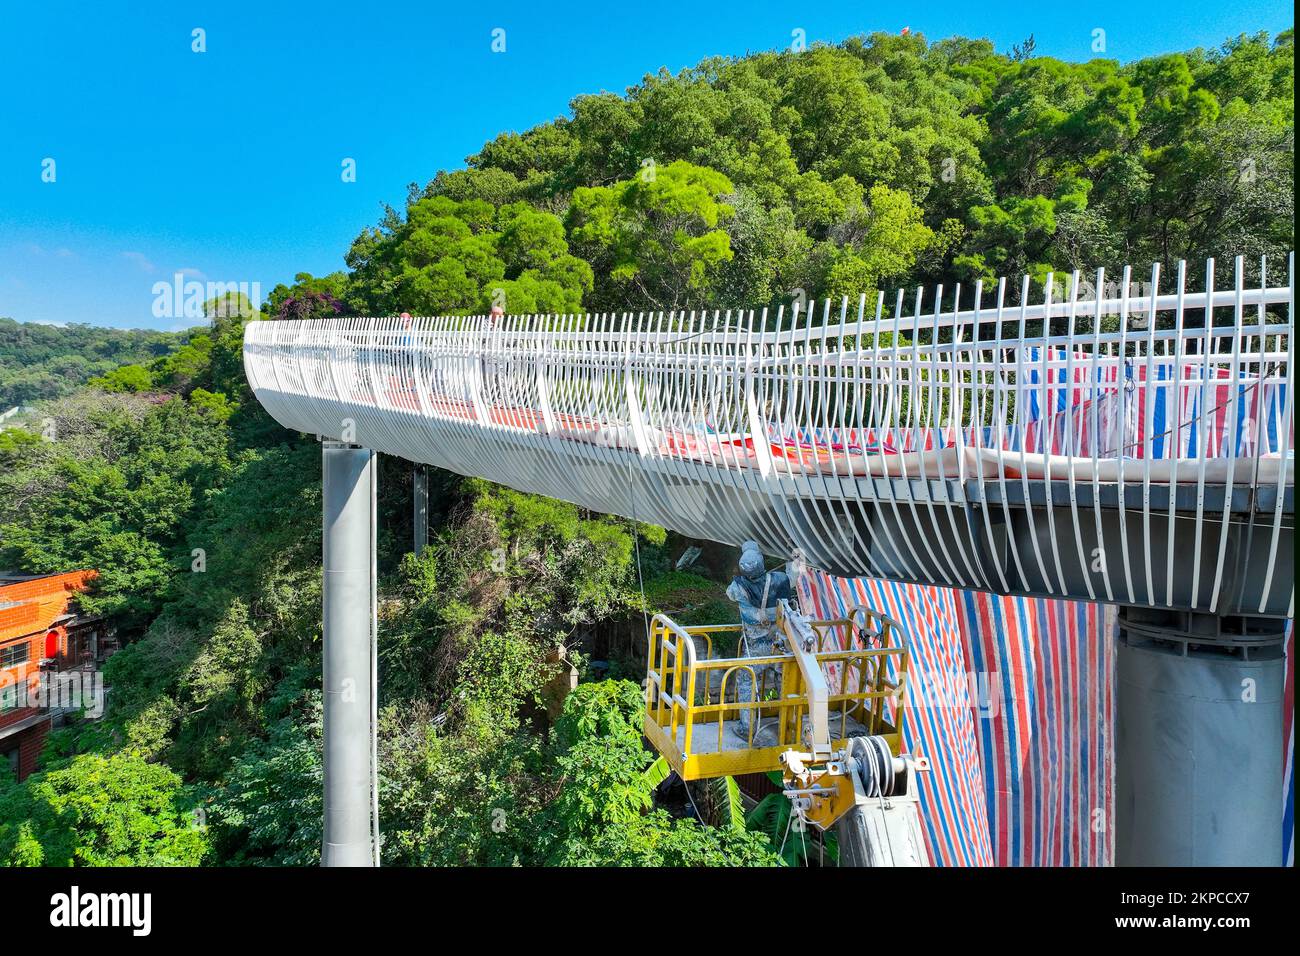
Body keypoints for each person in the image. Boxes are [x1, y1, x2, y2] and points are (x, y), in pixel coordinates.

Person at [725, 540, 792, 744]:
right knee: (785, 682)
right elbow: (790, 590)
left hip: (757, 647)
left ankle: (748, 728)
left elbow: (730, 594)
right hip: (781, 643)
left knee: (745, 680)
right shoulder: (780, 579)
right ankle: (788, 726)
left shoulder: (738, 586)